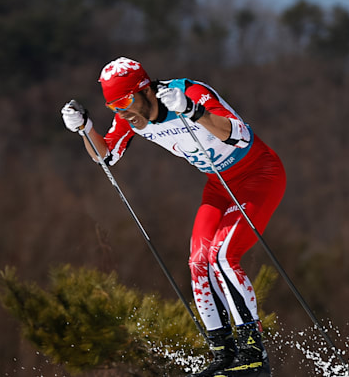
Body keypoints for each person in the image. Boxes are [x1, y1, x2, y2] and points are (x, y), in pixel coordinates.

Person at [61, 57, 284, 377]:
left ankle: (253, 353)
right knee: (197, 261)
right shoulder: (132, 118)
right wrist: (85, 129)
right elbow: (106, 156)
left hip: (258, 175)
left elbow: (240, 136)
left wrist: (194, 112)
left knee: (223, 255)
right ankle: (223, 352)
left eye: (124, 101)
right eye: (112, 106)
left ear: (144, 89)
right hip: (219, 185)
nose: (121, 111)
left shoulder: (188, 92)